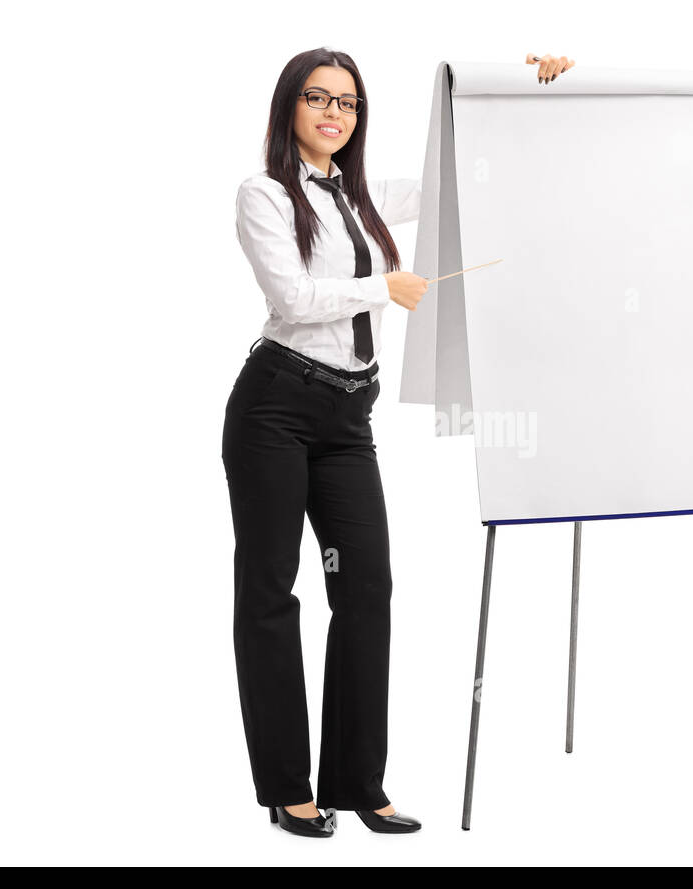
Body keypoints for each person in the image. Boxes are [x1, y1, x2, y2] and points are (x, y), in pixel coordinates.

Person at [223, 47, 575, 837]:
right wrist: (384, 287)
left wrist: (523, 85)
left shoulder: (363, 198)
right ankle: (288, 788)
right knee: (271, 595)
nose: (333, 113)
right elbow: (292, 295)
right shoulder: (264, 195)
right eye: (317, 98)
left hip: (350, 418)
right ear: (289, 109)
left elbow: (462, 172)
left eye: (347, 103)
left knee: (366, 590)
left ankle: (356, 782)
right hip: (275, 408)